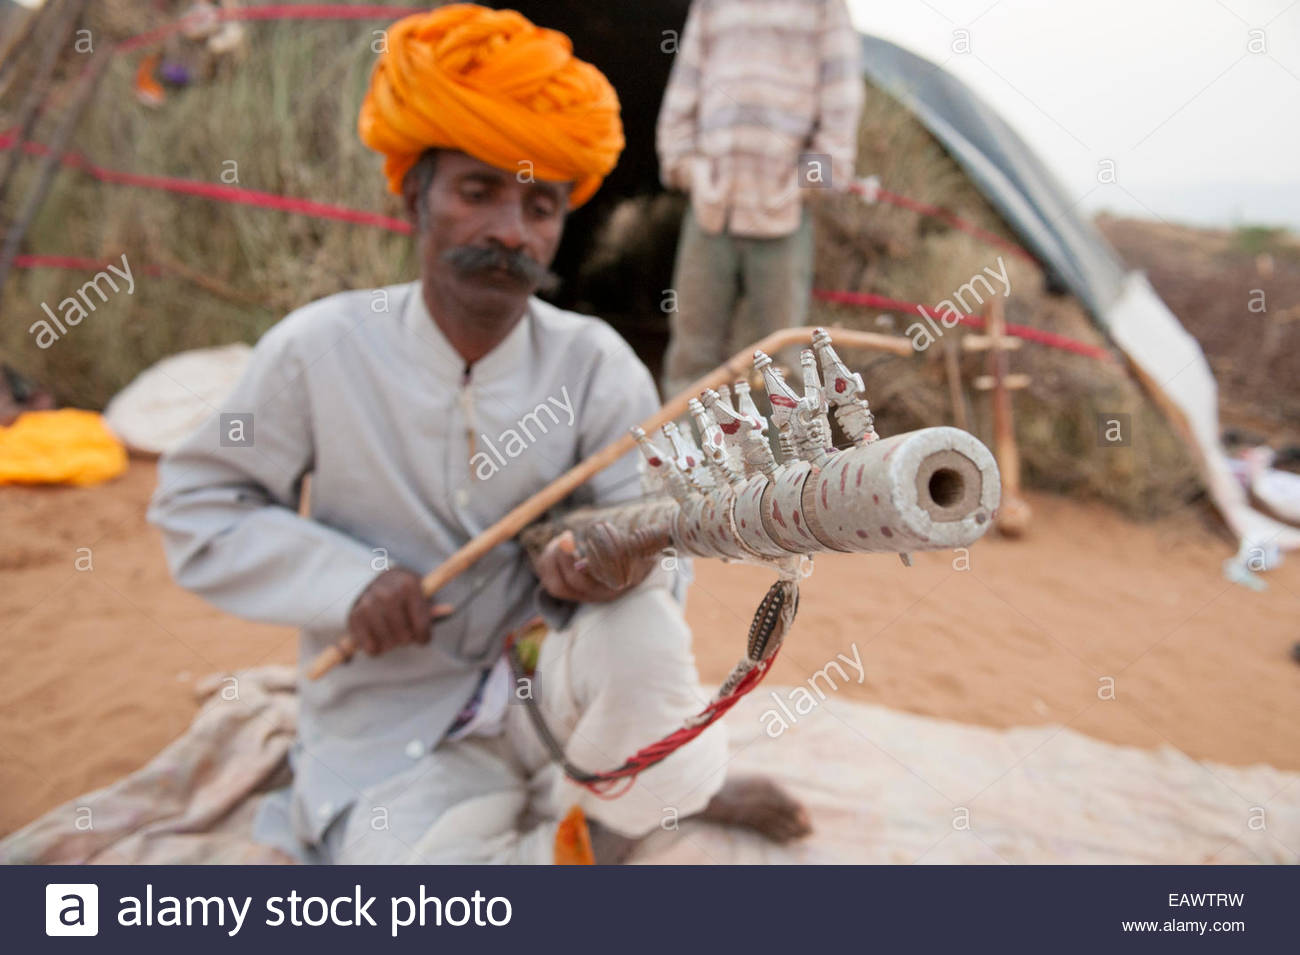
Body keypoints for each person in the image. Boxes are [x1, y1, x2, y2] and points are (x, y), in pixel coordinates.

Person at [149, 3, 809, 865]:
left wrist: (607, 565)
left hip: (552, 692)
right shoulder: (320, 349)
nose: (510, 230)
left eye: (540, 204)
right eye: (478, 191)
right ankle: (631, 819)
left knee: (643, 630)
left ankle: (632, 804)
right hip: (389, 730)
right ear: (416, 192)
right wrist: (350, 581)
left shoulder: (596, 363)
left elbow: (655, 539)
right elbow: (200, 505)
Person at [656, 0, 863, 397]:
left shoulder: (822, 7)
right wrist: (686, 166)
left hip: (781, 210)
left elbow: (842, 97)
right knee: (691, 356)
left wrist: (805, 182)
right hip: (711, 205)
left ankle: (783, 458)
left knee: (779, 362)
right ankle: (690, 456)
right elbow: (685, 83)